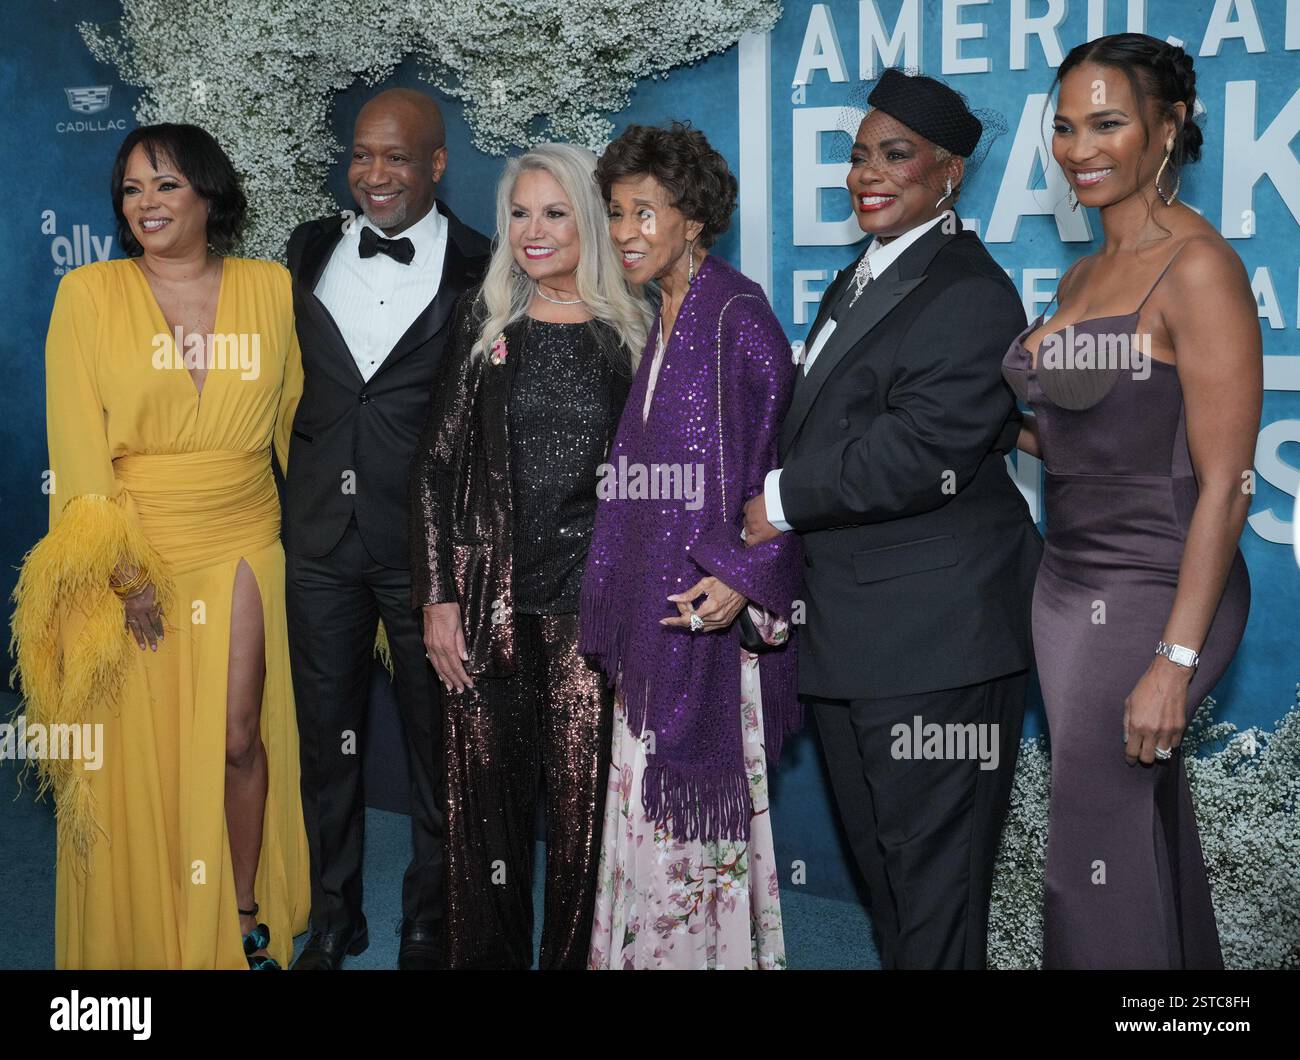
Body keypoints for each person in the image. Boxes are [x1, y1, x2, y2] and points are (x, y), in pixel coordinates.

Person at [744, 69, 1042, 970]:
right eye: (859, 154)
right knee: (890, 878)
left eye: (896, 155)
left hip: (937, 643)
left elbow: (922, 452)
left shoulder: (969, 292)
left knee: (933, 899)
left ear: (948, 172)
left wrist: (777, 502)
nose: (867, 174)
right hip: (858, 634)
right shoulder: (867, 274)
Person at [11, 123, 310, 969]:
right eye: (133, 189)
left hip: (244, 533)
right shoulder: (89, 294)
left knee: (235, 735)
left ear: (209, 195)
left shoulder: (271, 288)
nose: (146, 203)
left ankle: (243, 907)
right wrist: (123, 572)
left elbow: (301, 427)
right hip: (128, 550)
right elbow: (75, 445)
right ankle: (152, 929)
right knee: (140, 757)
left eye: (166, 186)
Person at [1003, 34, 1258, 969]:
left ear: (1168, 128)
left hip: (1158, 591)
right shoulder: (1081, 274)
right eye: (1065, 127)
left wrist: (1173, 661)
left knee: (1089, 852)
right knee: (1142, 831)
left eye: (1108, 122)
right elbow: (1082, 444)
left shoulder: (1198, 270)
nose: (1080, 148)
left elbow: (1228, 485)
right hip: (1067, 582)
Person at [410, 143, 648, 969]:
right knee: (484, 821)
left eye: (554, 212)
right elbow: (436, 468)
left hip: (594, 617)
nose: (533, 231)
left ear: (588, 218)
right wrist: (437, 598)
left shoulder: (635, 334)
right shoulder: (483, 330)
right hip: (485, 609)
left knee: (588, 826)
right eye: (519, 212)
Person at [581, 122, 802, 970]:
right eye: (616, 213)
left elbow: (777, 471)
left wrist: (744, 579)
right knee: (649, 825)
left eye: (646, 211)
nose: (627, 231)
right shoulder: (667, 311)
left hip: (706, 622)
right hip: (658, 618)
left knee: (687, 836)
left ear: (695, 216)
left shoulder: (736, 316)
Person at [283, 88, 490, 970]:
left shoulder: (485, 263)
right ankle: (334, 916)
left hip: (424, 549)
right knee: (325, 742)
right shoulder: (308, 248)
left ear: (436, 165)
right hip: (319, 538)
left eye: (395, 158)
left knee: (437, 741)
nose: (374, 174)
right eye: (362, 155)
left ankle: (428, 918)